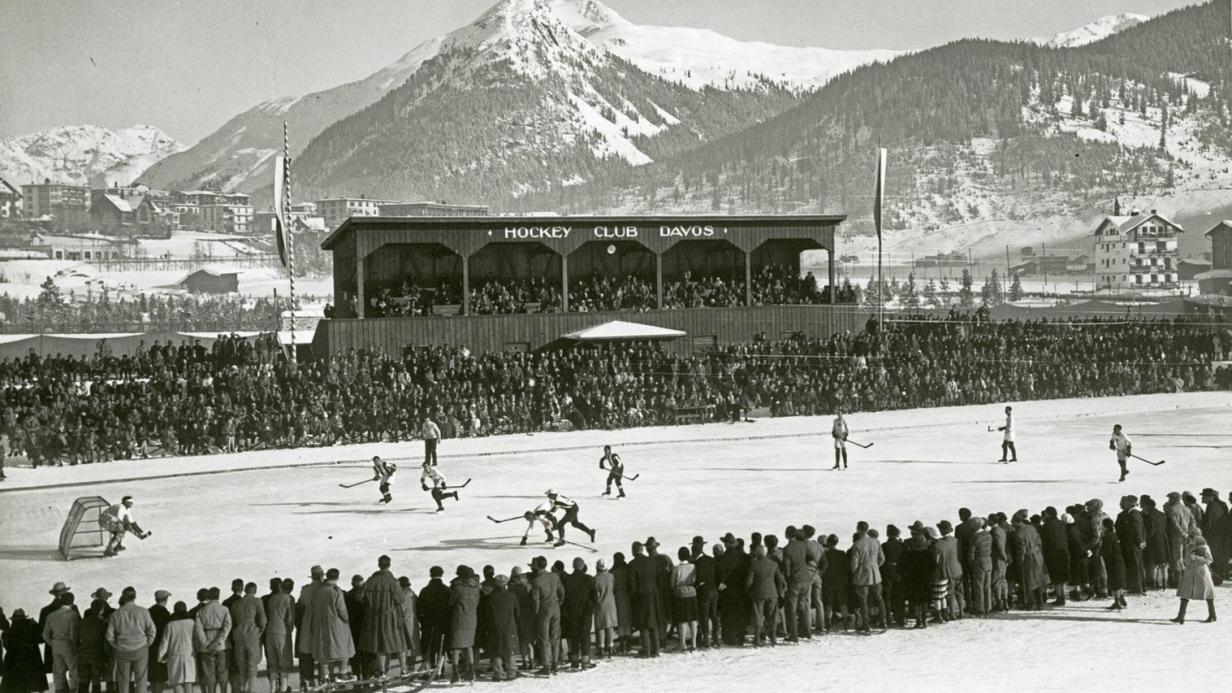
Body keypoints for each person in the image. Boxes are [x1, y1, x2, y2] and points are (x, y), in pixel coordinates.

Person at [360, 555, 407, 679]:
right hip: (391, 618)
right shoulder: (393, 582)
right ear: (389, 565)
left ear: (378, 564)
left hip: (374, 619)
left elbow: (360, 598)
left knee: (380, 646)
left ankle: (381, 672)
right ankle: (403, 670)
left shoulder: (369, 581)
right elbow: (401, 599)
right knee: (399, 643)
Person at [308, 569, 354, 684]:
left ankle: (325, 676)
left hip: (320, 625)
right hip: (336, 625)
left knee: (323, 651)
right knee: (344, 648)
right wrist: (347, 619)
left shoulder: (317, 591)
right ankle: (343, 673)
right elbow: (342, 610)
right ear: (337, 577)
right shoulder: (336, 591)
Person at [106, 588, 156, 693]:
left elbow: (109, 635)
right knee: (141, 680)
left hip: (123, 649)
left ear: (123, 596)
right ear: (135, 597)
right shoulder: (143, 611)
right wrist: (148, 643)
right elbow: (152, 630)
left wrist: (116, 646)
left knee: (123, 681)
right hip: (140, 648)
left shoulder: (116, 614)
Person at [529, 556, 564, 676]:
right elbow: (561, 591)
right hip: (555, 607)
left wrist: (536, 612)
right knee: (555, 636)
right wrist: (559, 602)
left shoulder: (537, 581)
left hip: (544, 609)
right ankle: (555, 663)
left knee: (544, 639)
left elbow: (535, 600)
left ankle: (546, 666)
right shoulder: (554, 576)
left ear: (537, 566)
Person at [1173, 528, 1217, 624]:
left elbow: (1209, 560)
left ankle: (1212, 615)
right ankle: (1181, 616)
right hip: (1189, 571)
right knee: (1185, 593)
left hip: (1201, 573)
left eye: (1192, 536)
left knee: (1208, 594)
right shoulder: (1189, 545)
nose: (1190, 538)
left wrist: (1196, 558)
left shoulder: (1204, 546)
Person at [228, 583, 265, 693]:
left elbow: (232, 622)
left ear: (245, 590)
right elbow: (262, 619)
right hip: (252, 635)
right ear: (255, 590)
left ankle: (243, 688)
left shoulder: (235, 604)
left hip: (238, 636)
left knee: (241, 664)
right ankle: (251, 689)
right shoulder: (257, 601)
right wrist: (261, 630)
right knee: (252, 664)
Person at [744, 544, 784, 647]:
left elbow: (749, 582)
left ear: (757, 552)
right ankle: (773, 638)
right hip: (772, 592)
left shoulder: (754, 564)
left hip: (758, 593)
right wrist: (779, 592)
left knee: (758, 616)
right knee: (772, 617)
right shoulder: (773, 564)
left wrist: (747, 591)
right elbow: (779, 579)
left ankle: (757, 639)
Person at [193, 587, 231, 693]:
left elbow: (198, 630)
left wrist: (205, 643)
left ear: (208, 597)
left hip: (206, 647)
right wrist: (218, 641)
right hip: (221, 646)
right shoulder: (224, 609)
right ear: (218, 596)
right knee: (222, 672)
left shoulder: (200, 612)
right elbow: (227, 627)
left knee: (209, 675)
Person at [850, 524, 887, 633]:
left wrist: (856, 572)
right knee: (879, 598)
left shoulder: (857, 544)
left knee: (863, 601)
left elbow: (854, 564)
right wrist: (875, 567)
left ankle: (866, 625)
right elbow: (882, 559)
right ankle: (883, 621)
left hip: (862, 575)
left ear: (858, 530)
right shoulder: (876, 542)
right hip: (875, 574)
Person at [561, 557, 597, 669]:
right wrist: (591, 606)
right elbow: (594, 596)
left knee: (574, 635)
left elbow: (564, 597)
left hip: (571, 612)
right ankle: (585, 660)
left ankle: (575, 660)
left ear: (573, 566)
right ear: (583, 566)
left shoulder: (567, 580)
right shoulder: (588, 579)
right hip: (585, 611)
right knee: (585, 635)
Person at [2, 609, 48, 693]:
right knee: (28, 687)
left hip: (13, 663)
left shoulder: (8, 632)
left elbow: (6, 646)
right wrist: (36, 625)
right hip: (31, 662)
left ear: (13, 620)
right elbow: (41, 638)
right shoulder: (31, 628)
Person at [447, 566, 479, 684]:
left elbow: (450, 602)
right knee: (469, 645)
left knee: (456, 646)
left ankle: (455, 674)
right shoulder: (476, 588)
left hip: (459, 619)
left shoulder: (458, 588)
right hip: (472, 619)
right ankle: (471, 672)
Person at [482, 574, 518, 681]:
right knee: (510, 649)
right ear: (506, 583)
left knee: (496, 649)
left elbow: (487, 614)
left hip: (495, 626)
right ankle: (511, 672)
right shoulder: (512, 596)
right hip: (509, 625)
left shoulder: (491, 597)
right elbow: (517, 612)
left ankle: (497, 673)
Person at [415, 567, 450, 676]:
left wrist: (423, 621)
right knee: (441, 645)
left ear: (430, 574)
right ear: (442, 574)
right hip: (442, 623)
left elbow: (419, 608)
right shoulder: (447, 590)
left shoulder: (425, 590)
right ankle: (440, 669)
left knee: (427, 646)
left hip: (428, 623)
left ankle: (427, 670)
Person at [42, 592, 79, 693]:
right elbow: (73, 633)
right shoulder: (73, 614)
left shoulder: (51, 615)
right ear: (72, 602)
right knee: (73, 670)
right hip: (69, 644)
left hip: (56, 644)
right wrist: (75, 646)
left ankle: (59, 690)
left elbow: (45, 635)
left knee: (58, 672)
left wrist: (53, 643)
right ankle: (73, 690)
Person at [262, 581, 294, 693]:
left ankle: (272, 688)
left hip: (269, 633)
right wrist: (290, 629)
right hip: (282, 633)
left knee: (272, 662)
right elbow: (290, 619)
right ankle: (283, 688)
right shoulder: (289, 598)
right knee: (284, 660)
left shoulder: (272, 598)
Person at [157, 602, 195, 693]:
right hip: (189, 655)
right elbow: (196, 639)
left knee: (176, 682)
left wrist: (160, 657)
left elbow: (164, 642)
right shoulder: (191, 622)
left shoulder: (170, 624)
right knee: (188, 682)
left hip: (174, 656)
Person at [1116, 496, 1146, 595]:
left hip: (1132, 544)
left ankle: (1137, 588)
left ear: (1130, 503)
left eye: (1123, 502)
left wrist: (1140, 541)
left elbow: (1138, 530)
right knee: (1134, 565)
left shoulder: (1134, 514)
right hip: (1128, 544)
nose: (1120, 504)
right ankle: (1137, 586)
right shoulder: (1127, 514)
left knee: (1135, 565)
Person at [592, 559, 617, 659]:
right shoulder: (611, 576)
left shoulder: (595, 579)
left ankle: (601, 648)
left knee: (600, 626)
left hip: (600, 604)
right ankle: (610, 647)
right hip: (611, 603)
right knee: (609, 626)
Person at [966, 519, 993, 616]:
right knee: (987, 585)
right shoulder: (988, 535)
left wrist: (971, 563)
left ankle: (980, 608)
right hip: (989, 560)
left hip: (979, 561)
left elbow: (971, 552)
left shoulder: (975, 537)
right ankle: (988, 607)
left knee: (978, 585)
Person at [1101, 518, 1128, 611]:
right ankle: (1121, 599)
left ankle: (1117, 602)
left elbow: (1107, 551)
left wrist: (1100, 553)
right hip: (1118, 560)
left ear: (1104, 526)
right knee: (1119, 580)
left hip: (1112, 561)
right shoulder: (1114, 535)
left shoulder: (1107, 536)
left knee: (1115, 581)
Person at [147, 591, 171, 693]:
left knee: (152, 673)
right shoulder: (165, 613)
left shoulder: (149, 611)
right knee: (161, 675)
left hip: (150, 646)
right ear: (165, 600)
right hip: (162, 646)